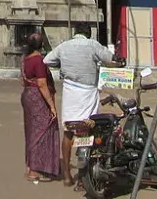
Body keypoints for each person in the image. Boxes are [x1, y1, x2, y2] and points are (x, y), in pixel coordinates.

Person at [43, 25, 119, 187]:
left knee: (68, 131)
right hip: (88, 92)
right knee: (87, 129)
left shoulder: (64, 46)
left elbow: (47, 60)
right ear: (88, 34)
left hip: (70, 91)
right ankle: (83, 178)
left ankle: (66, 175)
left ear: (75, 33)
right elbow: (110, 58)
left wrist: (63, 66)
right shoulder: (92, 45)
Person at [20, 33, 60, 183]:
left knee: (32, 131)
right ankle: (35, 169)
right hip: (38, 97)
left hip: (28, 95)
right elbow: (42, 84)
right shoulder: (39, 60)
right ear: (41, 45)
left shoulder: (25, 59)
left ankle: (31, 166)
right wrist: (52, 106)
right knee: (42, 131)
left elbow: (22, 80)